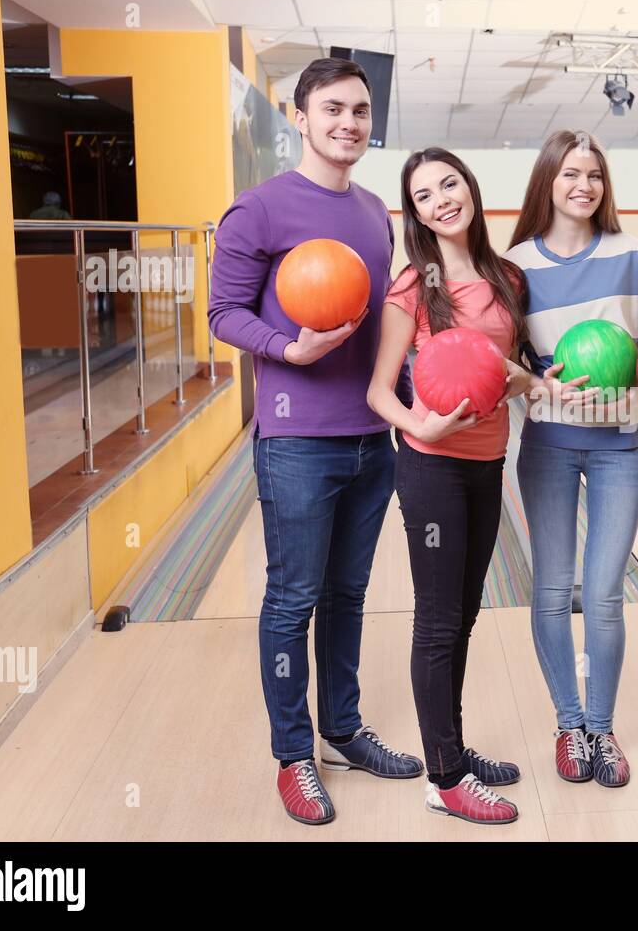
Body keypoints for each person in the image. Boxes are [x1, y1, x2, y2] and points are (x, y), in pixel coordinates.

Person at [209, 57, 422, 827]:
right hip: (298, 439)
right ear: (299, 117)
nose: (349, 123)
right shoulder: (259, 210)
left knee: (348, 595)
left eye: (361, 111)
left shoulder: (375, 213)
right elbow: (223, 312)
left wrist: (409, 406)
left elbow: (381, 332)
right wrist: (283, 349)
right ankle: (293, 754)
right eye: (332, 109)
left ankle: (341, 727)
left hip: (372, 439)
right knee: (294, 597)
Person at [367, 147, 533, 825]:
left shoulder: (507, 277)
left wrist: (528, 381)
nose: (442, 199)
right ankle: (444, 778)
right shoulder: (413, 288)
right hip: (431, 466)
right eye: (425, 194)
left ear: (469, 188)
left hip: (487, 462)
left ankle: (453, 749)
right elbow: (379, 390)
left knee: (464, 615)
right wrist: (421, 427)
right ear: (415, 212)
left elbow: (511, 371)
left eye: (450, 183)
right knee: (438, 621)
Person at [504, 130, 638, 788]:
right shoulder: (515, 266)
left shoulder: (632, 256)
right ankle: (568, 726)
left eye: (594, 175)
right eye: (571, 174)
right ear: (549, 180)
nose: (584, 186)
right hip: (549, 442)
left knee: (604, 593)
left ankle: (602, 726)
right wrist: (538, 385)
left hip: (621, 441)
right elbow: (503, 360)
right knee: (549, 588)